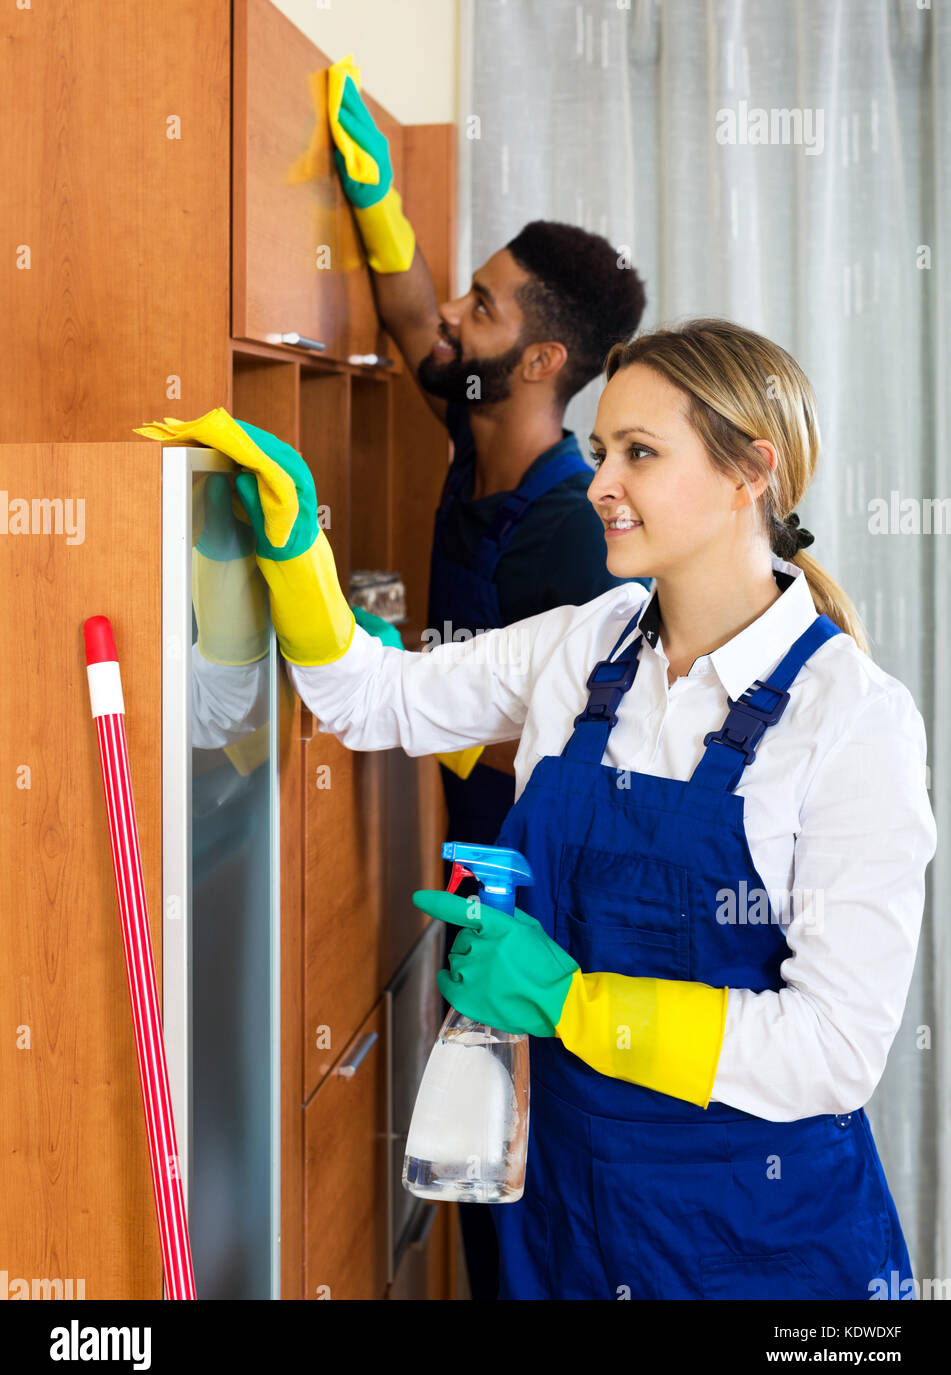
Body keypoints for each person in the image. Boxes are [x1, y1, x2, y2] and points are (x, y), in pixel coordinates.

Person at [230, 316, 937, 1301]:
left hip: (751, 1242)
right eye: (601, 450)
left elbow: (835, 1051)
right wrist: (292, 546)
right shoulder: (588, 643)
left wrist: (572, 1003)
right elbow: (372, 699)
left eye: (638, 453)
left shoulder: (852, 720)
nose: (599, 482)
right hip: (561, 1214)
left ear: (749, 473)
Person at [327, 53, 647, 1297]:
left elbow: (575, 745)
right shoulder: (475, 428)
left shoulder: (570, 528)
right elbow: (414, 325)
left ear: (541, 362)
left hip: (536, 893)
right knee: (474, 1170)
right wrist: (375, 200)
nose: (458, 314)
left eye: (487, 305)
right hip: (466, 864)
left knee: (517, 1178)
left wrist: (427, 706)